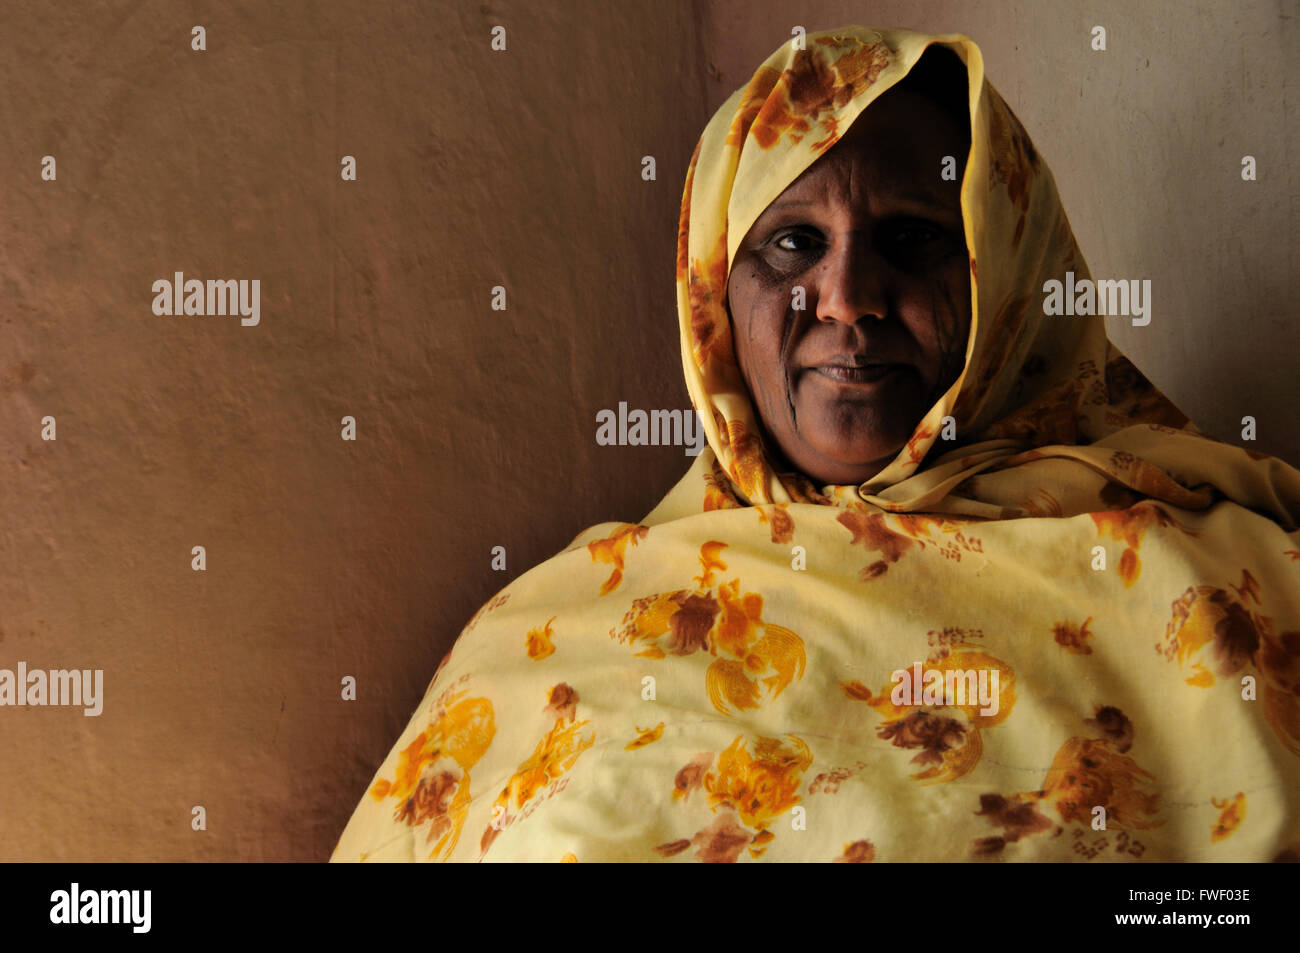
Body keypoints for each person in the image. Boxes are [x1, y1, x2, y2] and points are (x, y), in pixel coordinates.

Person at [331, 26, 1300, 862]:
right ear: (713, 292)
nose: (845, 297)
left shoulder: (1223, 581)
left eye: (915, 240)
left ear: (1008, 273)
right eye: (792, 243)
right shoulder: (564, 626)